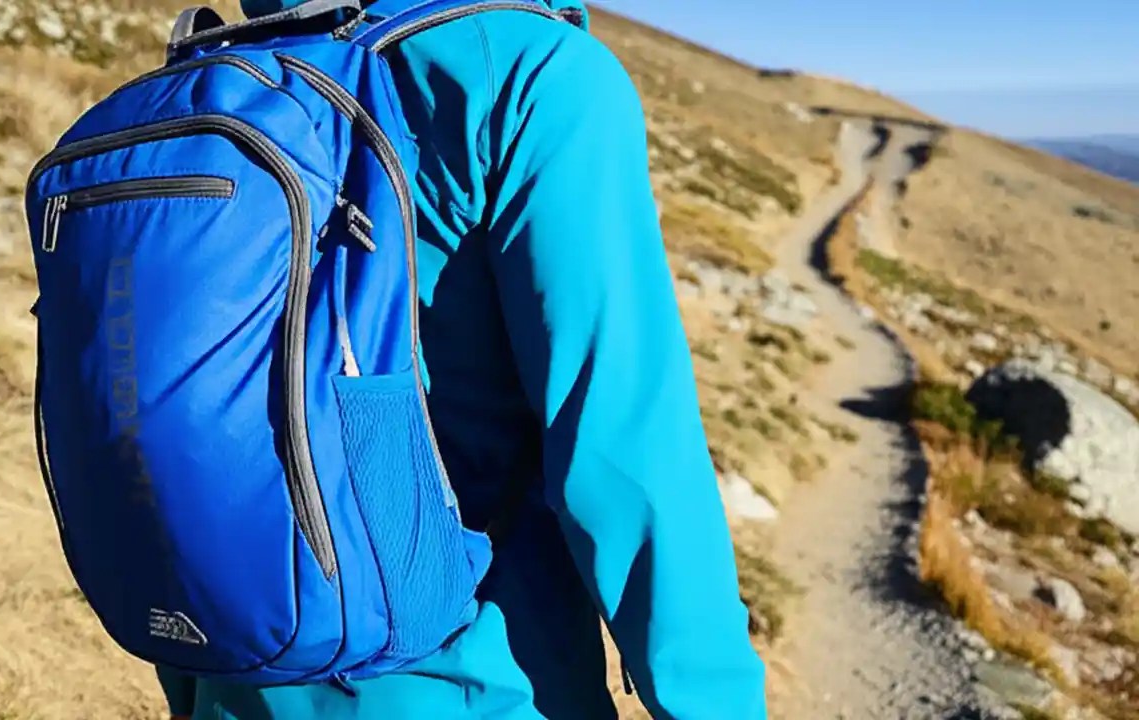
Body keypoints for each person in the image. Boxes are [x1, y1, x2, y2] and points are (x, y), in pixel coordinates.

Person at [155, 1, 766, 717]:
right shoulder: (530, 70)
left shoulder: (217, 79)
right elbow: (629, 453)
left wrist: (194, 685)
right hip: (480, 689)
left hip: (236, 674)